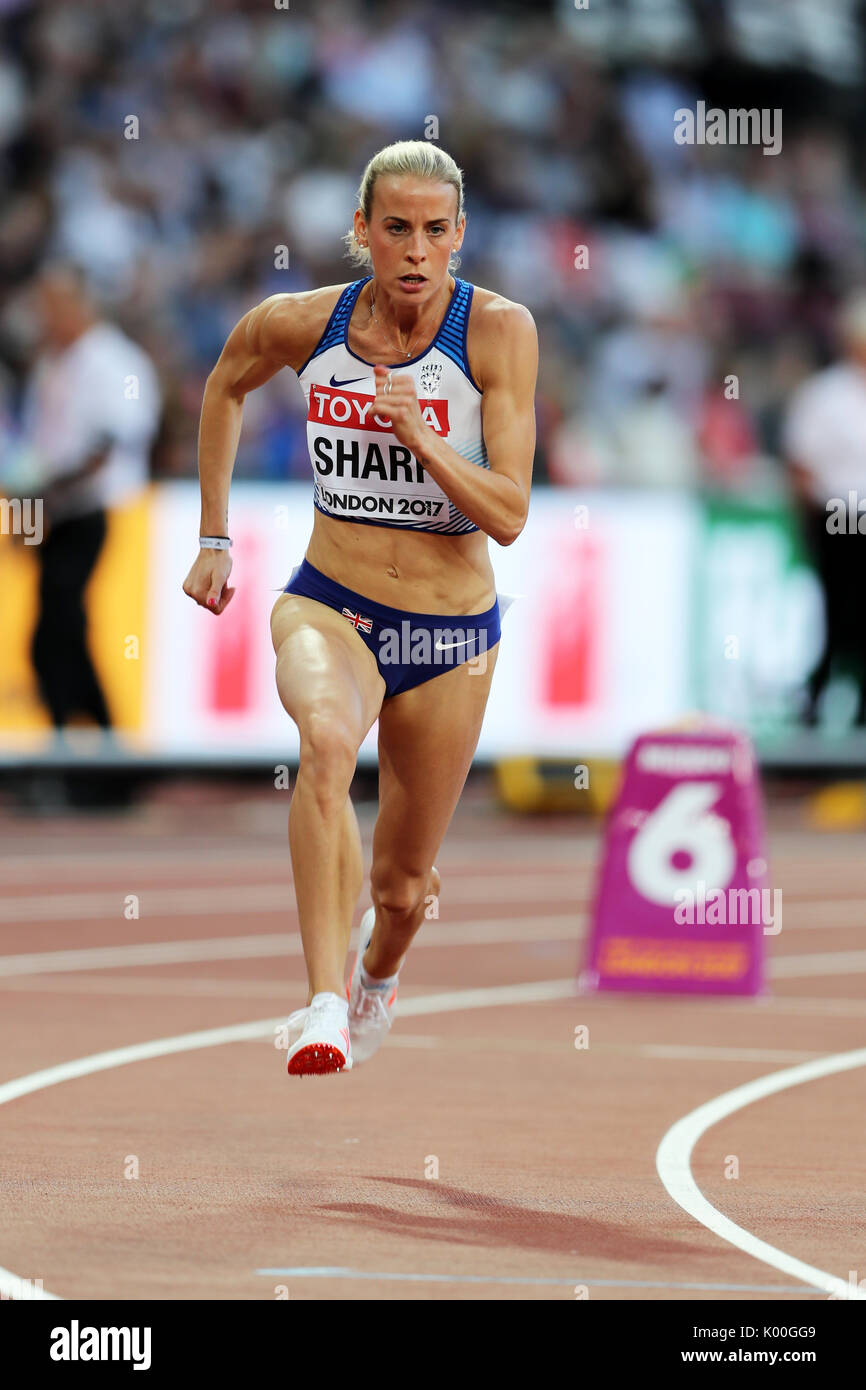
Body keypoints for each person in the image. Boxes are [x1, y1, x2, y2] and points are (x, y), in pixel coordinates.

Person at [183, 141, 538, 1075]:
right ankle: (324, 1002)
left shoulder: (498, 332)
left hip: (452, 633)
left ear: (460, 235)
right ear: (362, 233)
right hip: (329, 603)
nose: (416, 250)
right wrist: (214, 537)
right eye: (396, 229)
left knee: (404, 884)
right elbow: (222, 385)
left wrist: (420, 434)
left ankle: (378, 975)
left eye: (434, 231)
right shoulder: (301, 323)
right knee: (327, 744)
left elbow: (508, 515)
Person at [23, 262, 161, 738]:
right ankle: (88, 751)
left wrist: (45, 496)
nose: (45, 315)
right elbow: (40, 451)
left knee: (59, 630)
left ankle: (91, 749)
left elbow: (110, 444)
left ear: (81, 303)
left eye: (54, 304)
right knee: (55, 634)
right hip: (58, 511)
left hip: (93, 510)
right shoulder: (51, 363)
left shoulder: (111, 360)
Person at [783, 290, 866, 726]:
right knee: (839, 610)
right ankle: (816, 700)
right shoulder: (826, 396)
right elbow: (800, 466)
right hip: (838, 516)